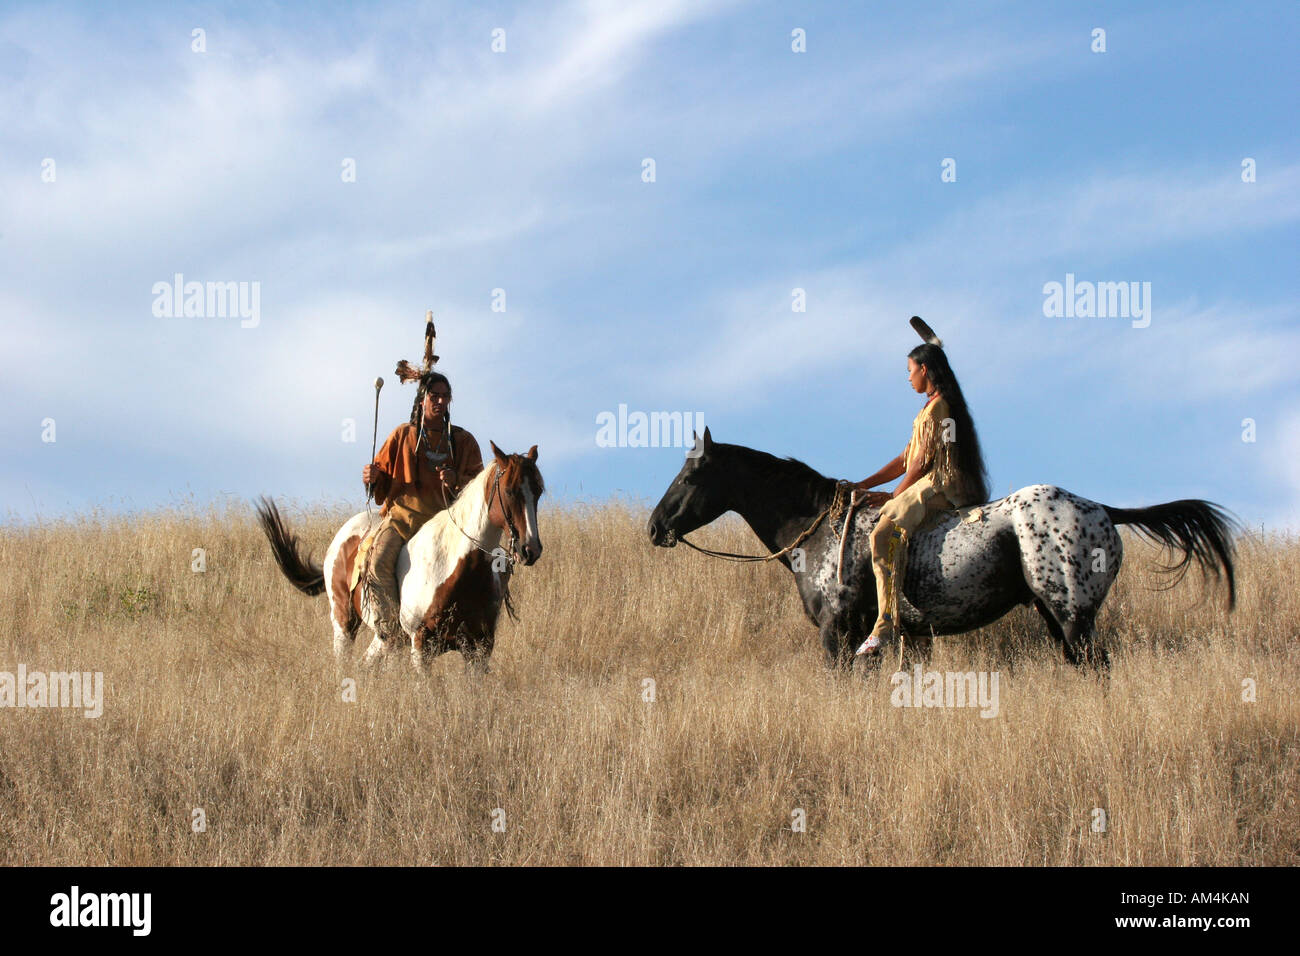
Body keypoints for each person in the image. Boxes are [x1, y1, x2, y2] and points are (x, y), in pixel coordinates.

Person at [852, 343, 989, 656]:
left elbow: (922, 461)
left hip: (939, 484)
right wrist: (864, 483)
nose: (909, 377)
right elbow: (905, 459)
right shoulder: (929, 408)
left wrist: (895, 494)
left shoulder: (940, 407)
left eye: (910, 370)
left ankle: (884, 624)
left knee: (883, 532)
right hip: (926, 479)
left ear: (924, 369)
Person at [361, 370, 484, 644]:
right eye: (434, 396)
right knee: (377, 561)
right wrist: (372, 477)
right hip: (403, 518)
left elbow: (480, 488)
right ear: (422, 400)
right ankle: (391, 631)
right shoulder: (402, 435)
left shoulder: (463, 441)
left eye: (444, 397)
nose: (439, 401)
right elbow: (379, 477)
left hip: (446, 524)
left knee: (486, 567)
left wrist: (455, 482)